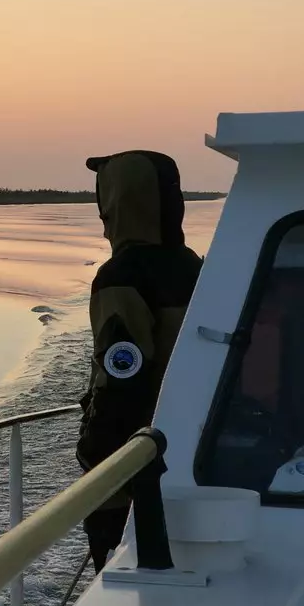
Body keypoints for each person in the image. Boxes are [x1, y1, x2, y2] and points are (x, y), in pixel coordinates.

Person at [77, 150, 203, 573]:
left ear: (117, 201)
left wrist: (99, 469)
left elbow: (121, 384)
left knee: (124, 587)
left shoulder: (121, 276)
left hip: (132, 473)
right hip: (189, 452)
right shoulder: (194, 267)